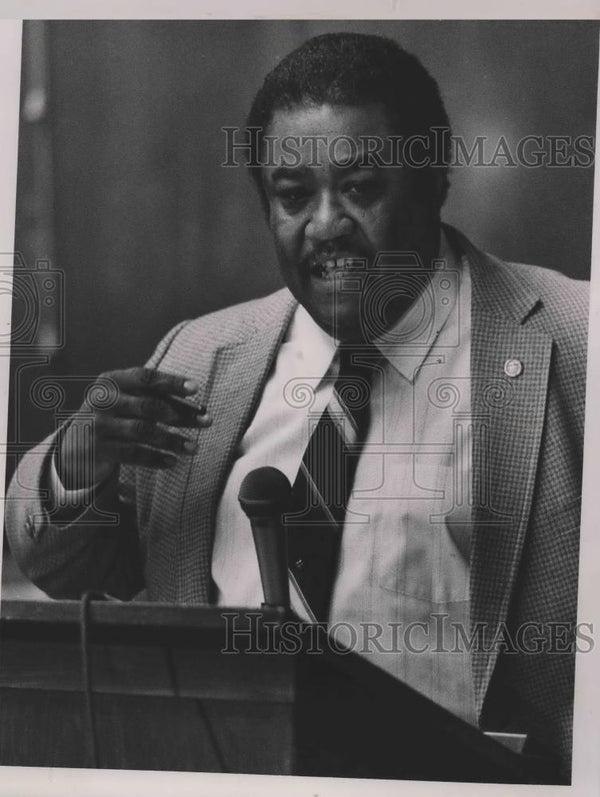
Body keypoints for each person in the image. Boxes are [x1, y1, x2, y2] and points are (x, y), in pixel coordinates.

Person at [5, 33, 588, 779]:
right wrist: (73, 465)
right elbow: (66, 568)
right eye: (291, 196)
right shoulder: (199, 356)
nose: (323, 225)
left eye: (361, 187)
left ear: (437, 173)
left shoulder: (574, 343)